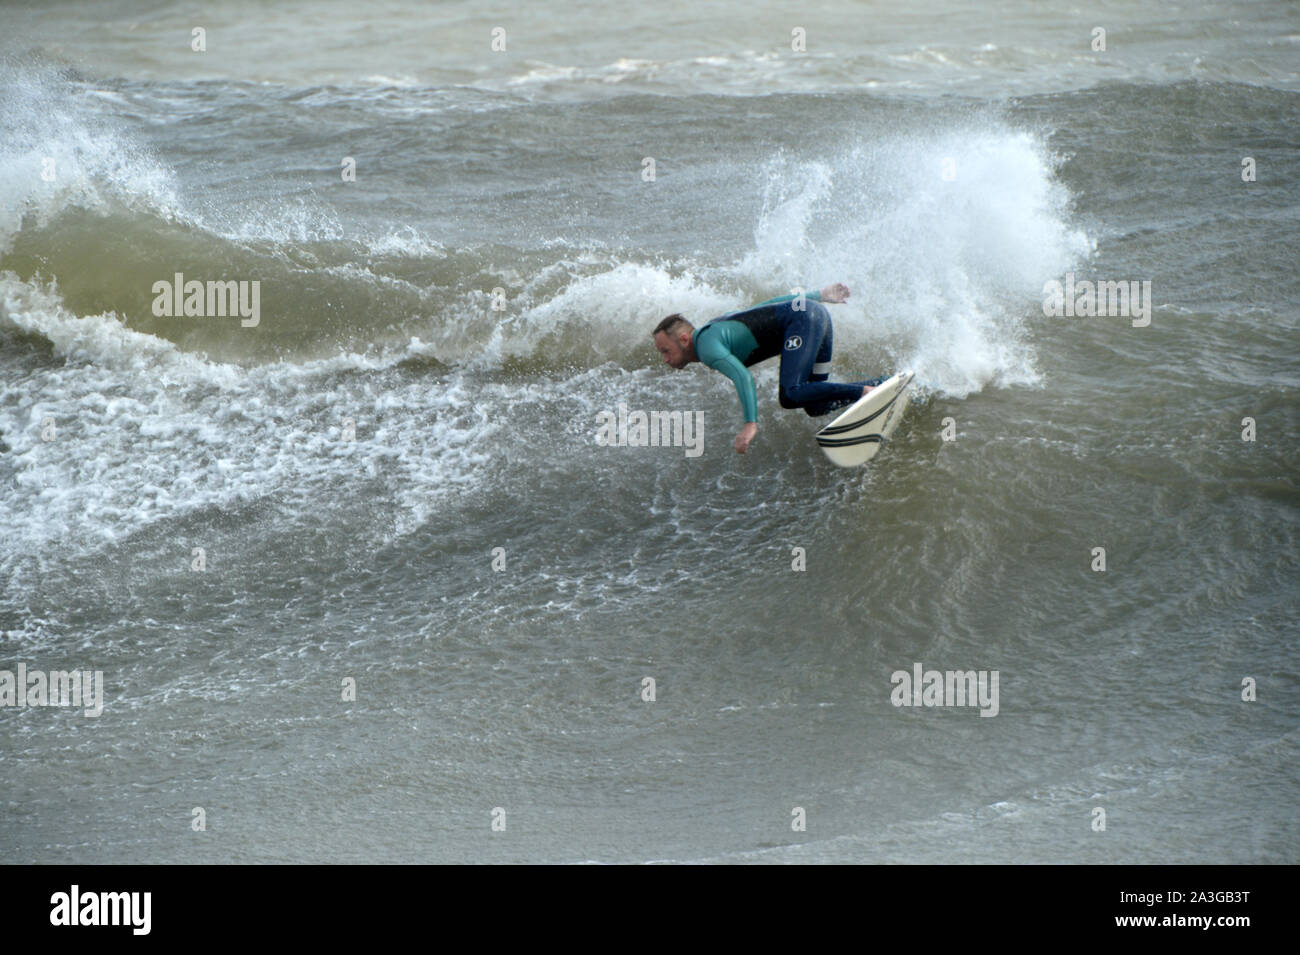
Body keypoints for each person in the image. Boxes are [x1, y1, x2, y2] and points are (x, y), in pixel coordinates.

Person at [652, 283, 884, 454]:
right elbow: (766, 306)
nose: (665, 359)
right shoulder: (715, 329)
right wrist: (819, 296)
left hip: (804, 320)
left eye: (666, 351)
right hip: (816, 316)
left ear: (683, 339)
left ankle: (865, 392)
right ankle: (882, 385)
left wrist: (750, 424)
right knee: (816, 405)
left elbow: (743, 377)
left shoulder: (706, 347)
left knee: (791, 393)